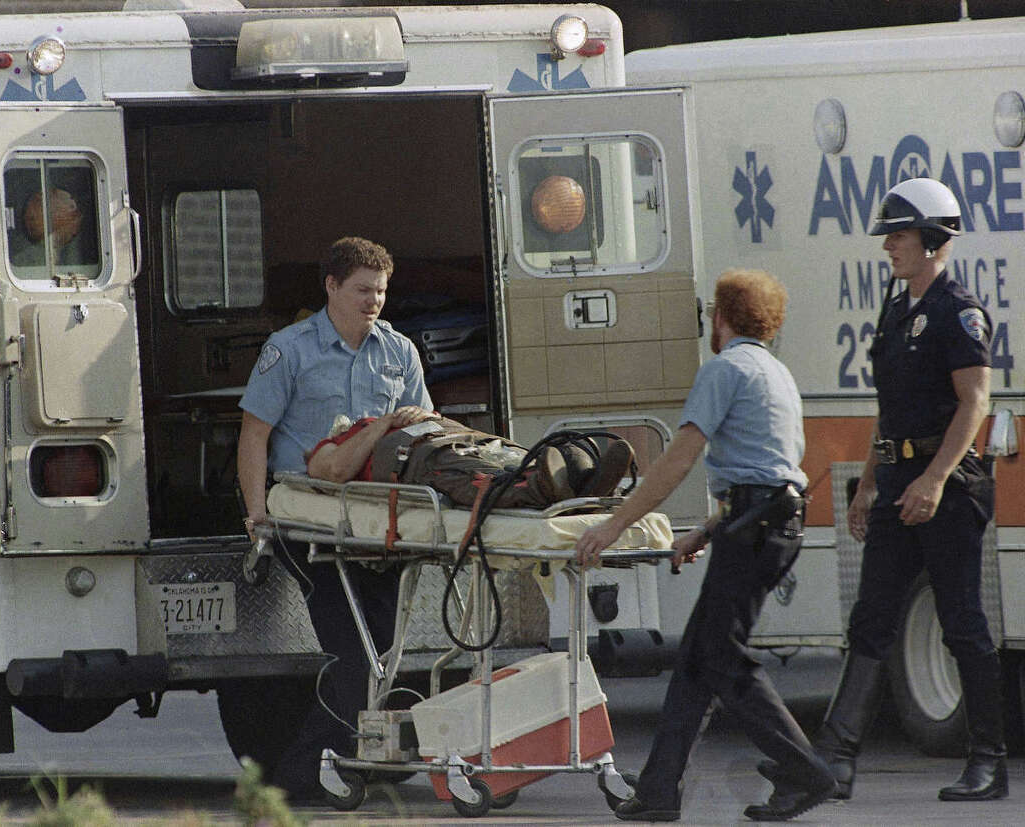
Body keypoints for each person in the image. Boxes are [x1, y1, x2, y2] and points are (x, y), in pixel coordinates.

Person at [759, 178, 1005, 803]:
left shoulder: (957, 311)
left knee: (962, 624)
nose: (888, 245)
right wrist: (868, 484)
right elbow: (890, 411)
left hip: (947, 489)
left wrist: (935, 478)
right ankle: (834, 762)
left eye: (898, 235)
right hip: (898, 483)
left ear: (933, 239)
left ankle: (988, 761)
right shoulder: (896, 311)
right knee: (870, 620)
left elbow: (975, 402)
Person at [575, 268, 835, 822]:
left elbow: (678, 459)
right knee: (698, 660)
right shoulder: (775, 372)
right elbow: (767, 471)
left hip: (756, 526)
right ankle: (659, 791)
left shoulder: (724, 369)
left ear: (721, 317)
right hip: (772, 523)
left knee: (721, 655)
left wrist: (613, 525)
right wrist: (706, 530)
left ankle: (804, 770)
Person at [237, 237, 431, 799]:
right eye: (363, 290)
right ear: (331, 287)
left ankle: (340, 762)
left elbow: (423, 428)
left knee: (383, 652)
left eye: (381, 292)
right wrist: (257, 513)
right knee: (352, 652)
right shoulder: (289, 349)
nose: (374, 301)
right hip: (309, 518)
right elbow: (254, 435)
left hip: (379, 521)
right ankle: (305, 772)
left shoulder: (399, 352)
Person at [306, 412, 637, 508]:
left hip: (453, 436)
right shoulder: (328, 447)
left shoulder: (381, 421)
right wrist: (383, 423)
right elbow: (335, 471)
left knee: (510, 454)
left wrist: (426, 416)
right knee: (471, 473)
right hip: (420, 459)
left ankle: (585, 480)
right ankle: (542, 489)